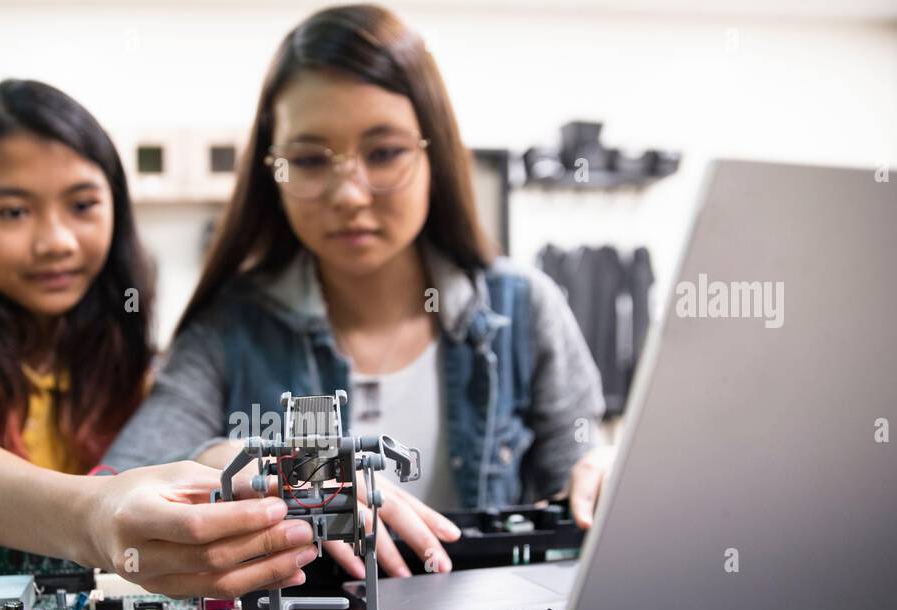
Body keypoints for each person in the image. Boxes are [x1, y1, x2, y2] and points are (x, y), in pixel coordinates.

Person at [104, 4, 613, 580]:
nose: (348, 194)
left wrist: (602, 474)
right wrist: (239, 465)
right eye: (311, 159)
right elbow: (120, 490)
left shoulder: (525, 309)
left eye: (384, 152)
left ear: (434, 154)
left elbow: (578, 497)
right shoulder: (231, 329)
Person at [0, 80, 316, 598]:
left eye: (82, 205)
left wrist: (221, 460)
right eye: (13, 212)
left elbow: (146, 464)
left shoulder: (115, 352)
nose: (56, 242)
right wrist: (93, 515)